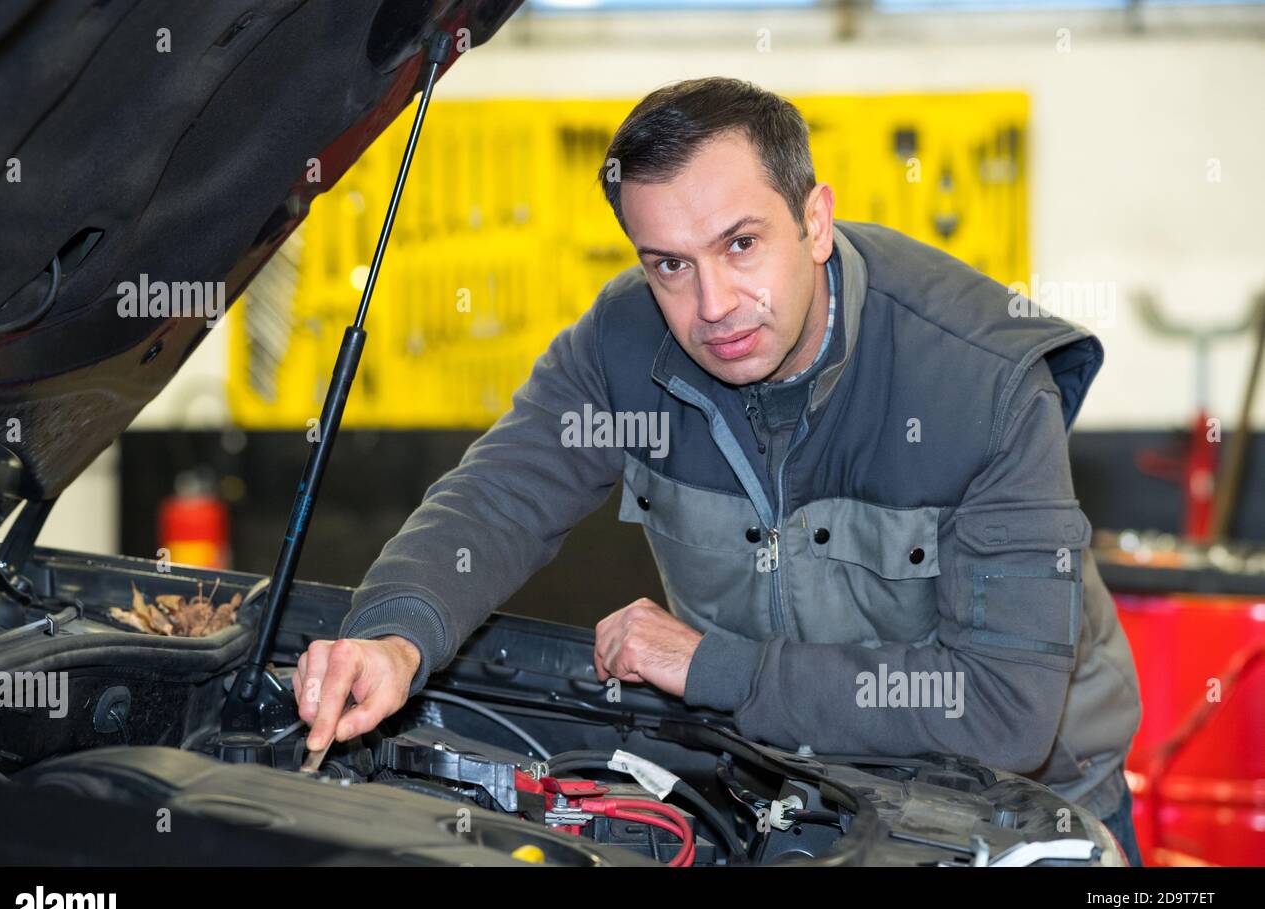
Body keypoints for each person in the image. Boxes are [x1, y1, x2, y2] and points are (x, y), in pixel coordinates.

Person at [292, 77, 1144, 864]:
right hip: (780, 799)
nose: (712, 305)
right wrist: (397, 633)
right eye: (668, 263)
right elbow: (500, 497)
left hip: (1010, 822)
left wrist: (717, 668)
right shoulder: (627, 349)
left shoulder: (981, 383)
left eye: (740, 244)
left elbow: (1000, 711)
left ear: (815, 220)